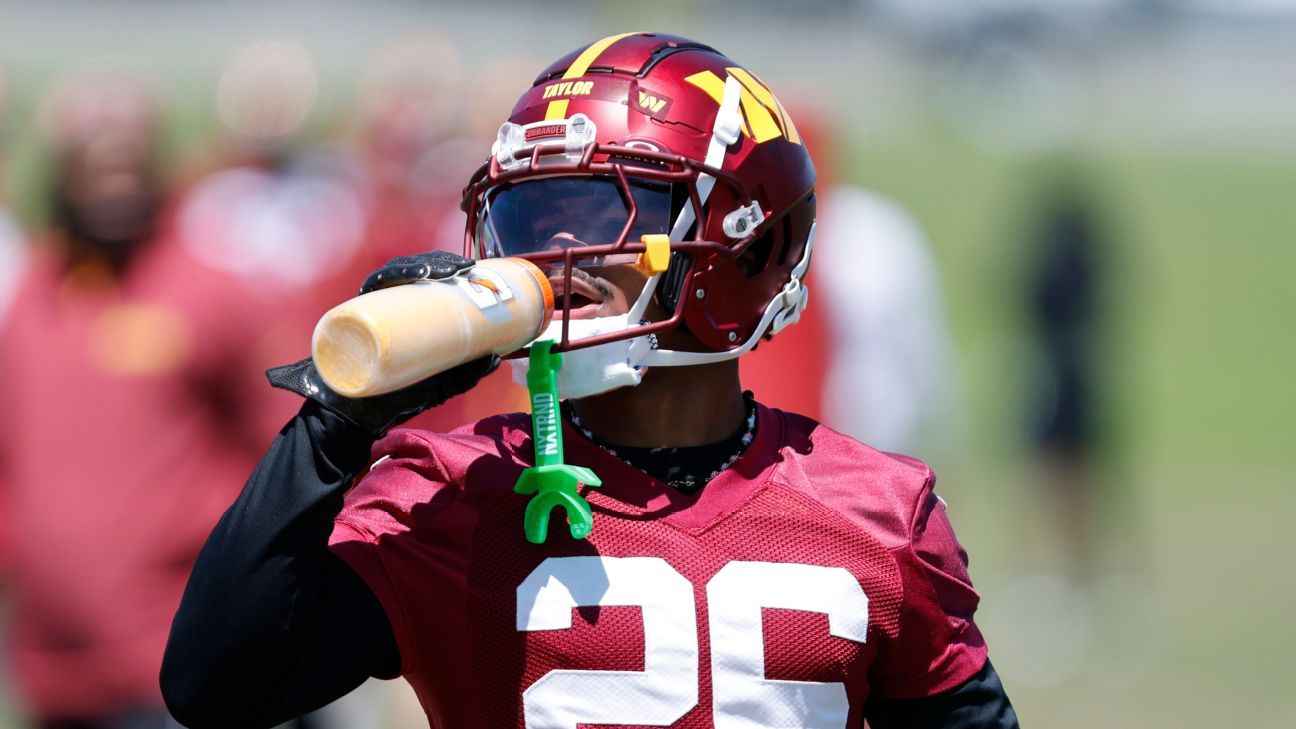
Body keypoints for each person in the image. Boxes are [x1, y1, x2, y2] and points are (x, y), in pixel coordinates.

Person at [162, 33, 1018, 728]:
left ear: (746, 241)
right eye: (530, 217)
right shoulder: (451, 492)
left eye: (603, 213)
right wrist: (335, 422)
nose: (556, 256)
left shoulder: (876, 508)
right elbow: (217, 687)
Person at [0, 70, 300, 729]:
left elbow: (287, 449)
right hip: (52, 670)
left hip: (175, 660)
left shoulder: (210, 289)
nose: (113, 185)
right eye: (94, 167)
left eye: (127, 165)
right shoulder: (31, 297)